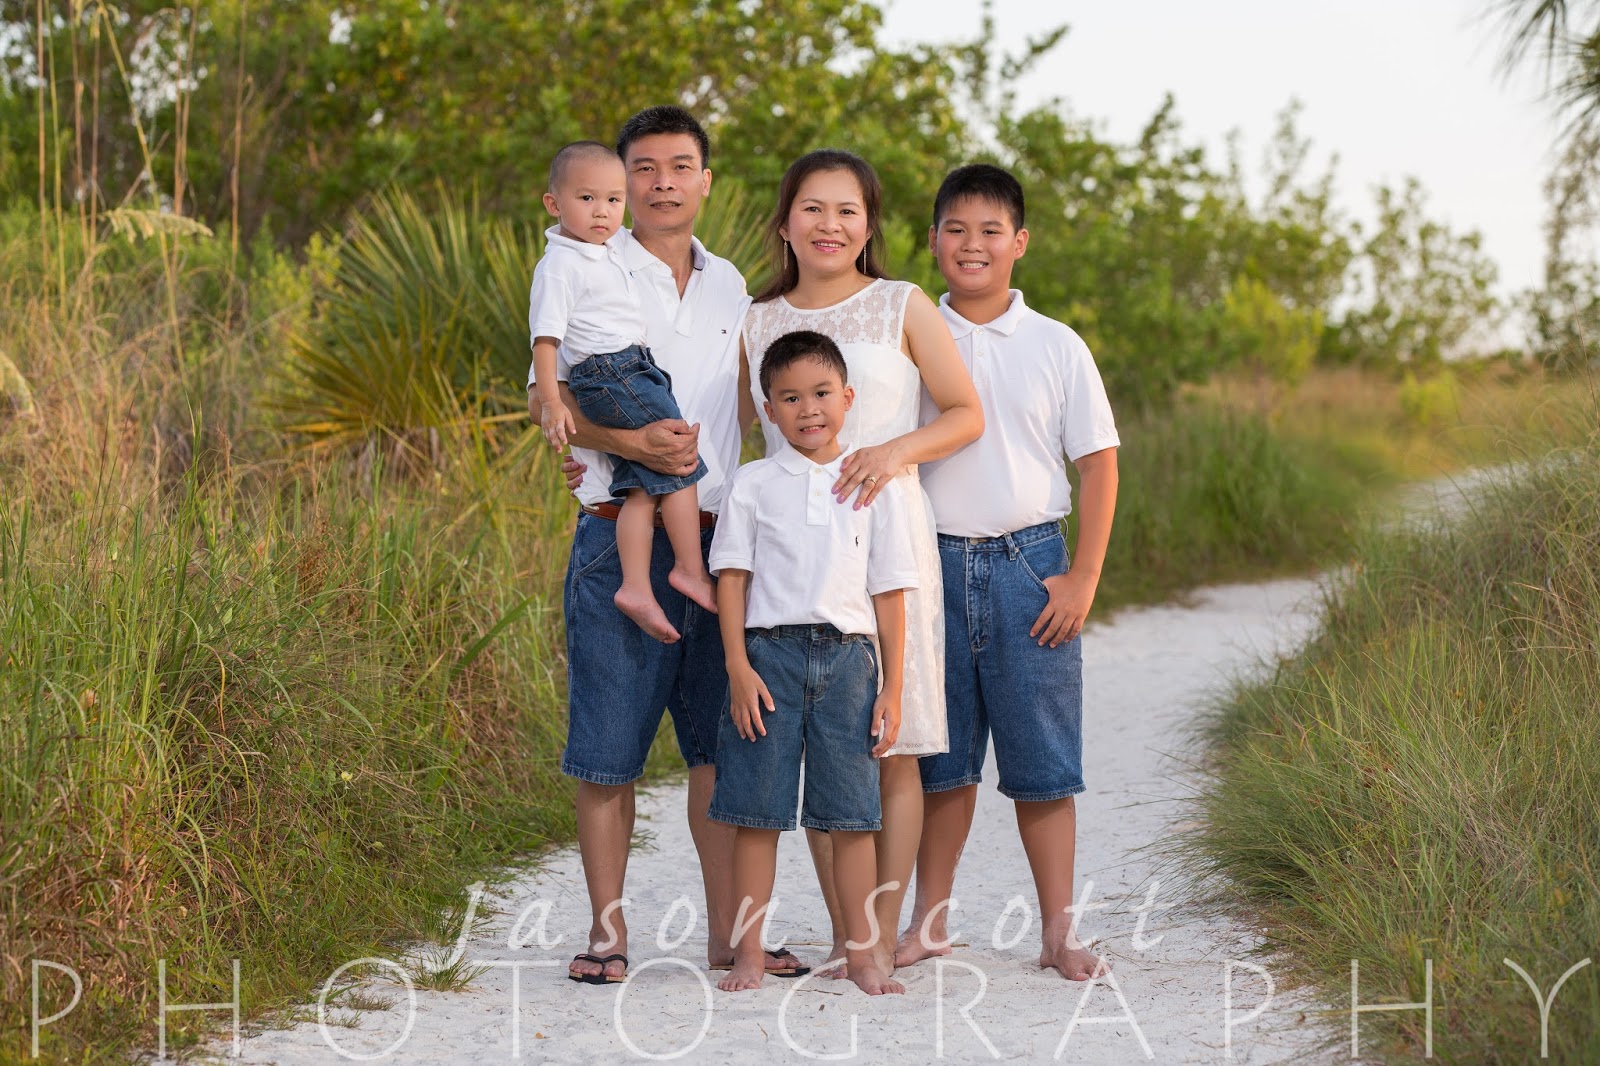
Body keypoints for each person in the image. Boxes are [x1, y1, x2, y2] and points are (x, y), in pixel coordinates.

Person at [527, 106, 802, 985]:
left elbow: (765, 408)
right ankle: (608, 936)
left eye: (679, 166)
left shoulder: (736, 289)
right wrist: (627, 449)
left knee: (721, 748)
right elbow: (555, 407)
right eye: (642, 169)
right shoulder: (585, 264)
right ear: (617, 182)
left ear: (705, 181)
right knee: (607, 750)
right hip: (619, 540)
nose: (660, 184)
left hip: (723, 546)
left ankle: (729, 937)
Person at [739, 149, 983, 973]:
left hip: (889, 531)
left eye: (847, 211)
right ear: (785, 222)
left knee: (895, 738)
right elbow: (749, 439)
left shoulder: (902, 305)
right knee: (821, 739)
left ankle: (878, 930)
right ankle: (851, 935)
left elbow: (963, 412)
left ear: (869, 225)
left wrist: (890, 452)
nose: (830, 225)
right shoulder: (756, 318)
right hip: (793, 560)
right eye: (812, 208)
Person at [895, 164, 1120, 981]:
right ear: (932, 241)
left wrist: (1083, 576)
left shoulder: (1056, 344)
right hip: (931, 565)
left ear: (1019, 243)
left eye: (991, 231)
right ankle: (929, 922)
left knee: (1042, 764)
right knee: (940, 763)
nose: (973, 244)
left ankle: (1058, 932)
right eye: (955, 228)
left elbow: (1098, 464)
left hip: (1033, 566)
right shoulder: (911, 336)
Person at [709, 330, 917, 996]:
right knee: (756, 815)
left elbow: (889, 591)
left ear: (848, 398)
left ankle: (862, 954)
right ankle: (747, 954)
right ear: (768, 409)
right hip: (767, 661)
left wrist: (893, 688)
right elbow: (732, 579)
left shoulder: (867, 480)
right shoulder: (754, 482)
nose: (808, 409)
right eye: (790, 398)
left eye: (821, 394)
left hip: (850, 663)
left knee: (850, 818)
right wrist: (738, 668)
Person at [528, 140, 717, 644]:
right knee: (678, 454)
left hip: (636, 369)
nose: (602, 211)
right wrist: (554, 407)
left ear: (705, 179)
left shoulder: (724, 281)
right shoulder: (562, 264)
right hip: (612, 372)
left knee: (640, 483)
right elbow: (545, 343)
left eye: (611, 200)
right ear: (555, 203)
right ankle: (689, 570)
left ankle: (638, 587)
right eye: (588, 199)